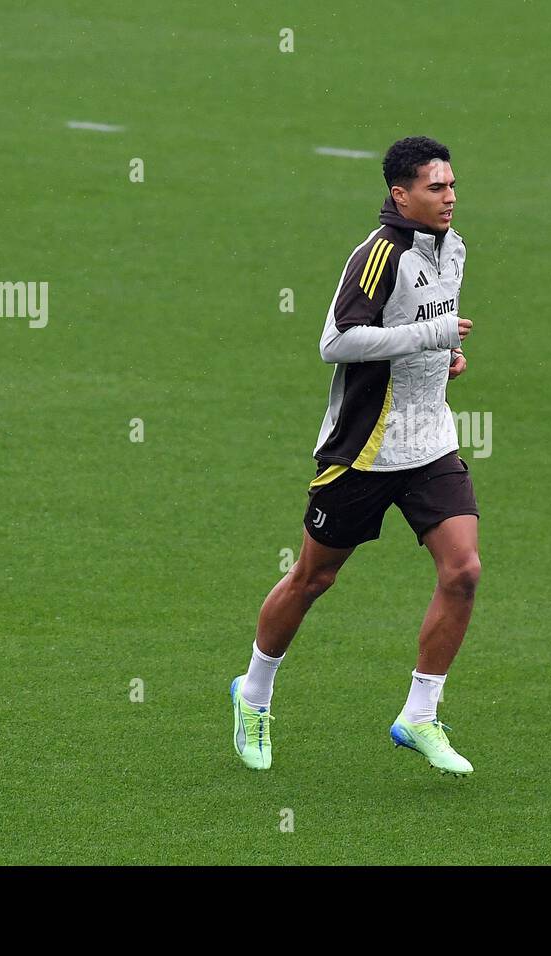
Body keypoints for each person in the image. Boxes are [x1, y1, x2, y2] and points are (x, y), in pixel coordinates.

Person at [229, 136, 481, 776]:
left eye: (452, 186)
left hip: (429, 440)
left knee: (463, 571)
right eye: (436, 188)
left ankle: (420, 714)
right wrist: (431, 335)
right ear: (401, 195)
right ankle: (253, 692)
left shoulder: (452, 249)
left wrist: (442, 358)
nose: (450, 197)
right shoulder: (378, 256)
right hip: (364, 449)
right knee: (314, 578)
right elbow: (337, 341)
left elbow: (425, 329)